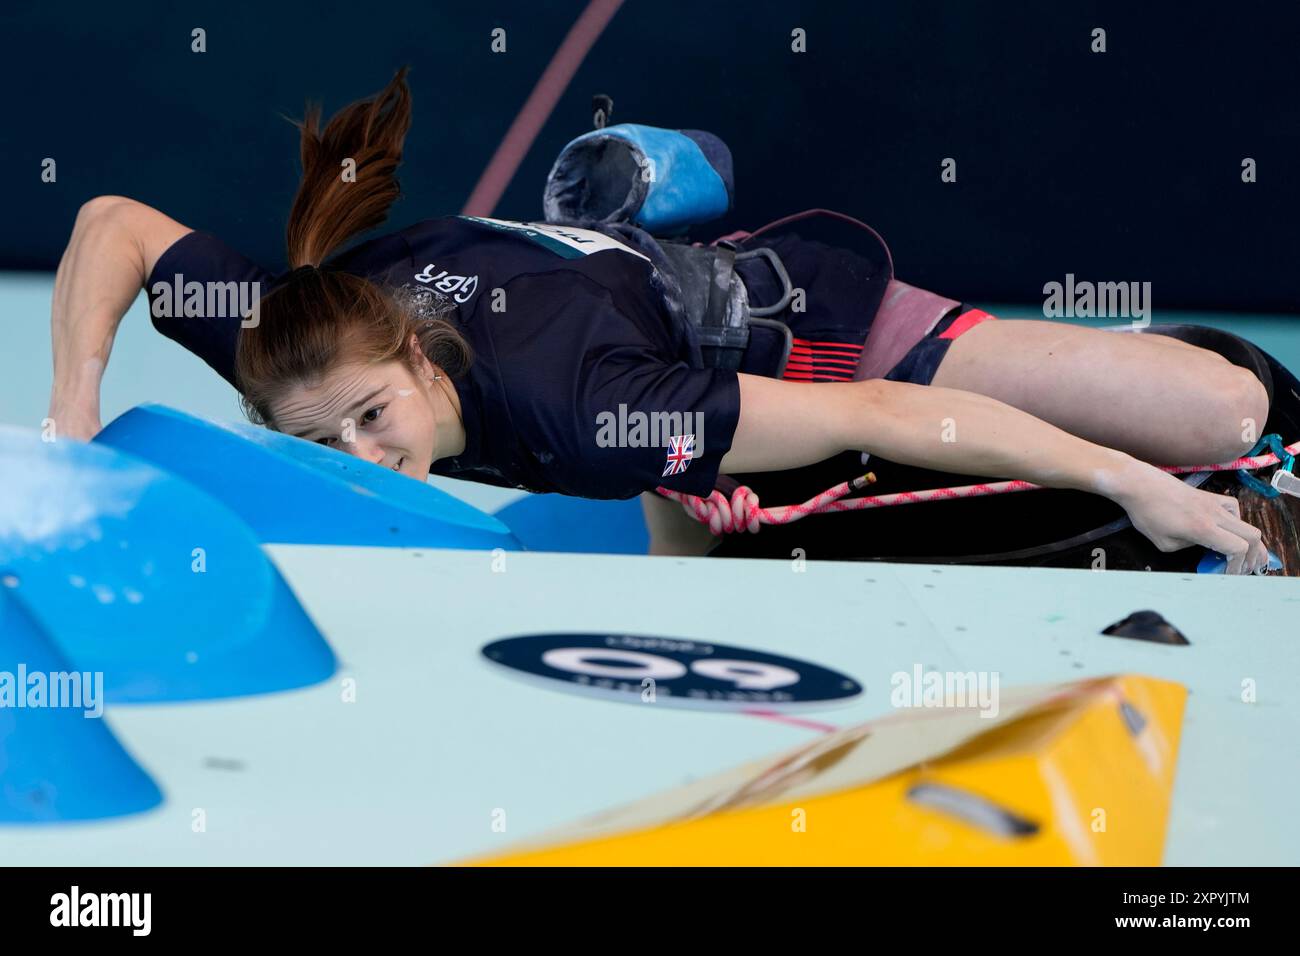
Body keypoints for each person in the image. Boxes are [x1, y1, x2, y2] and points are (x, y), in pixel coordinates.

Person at [46, 69, 1271, 573]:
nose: (362, 455)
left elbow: (882, 406)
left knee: (1220, 410)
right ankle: (605, 221)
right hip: (608, 326)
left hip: (810, 323)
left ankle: (631, 209)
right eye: (319, 443)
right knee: (697, 565)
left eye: (373, 417)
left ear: (416, 352)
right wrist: (72, 410)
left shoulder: (587, 416)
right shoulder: (291, 334)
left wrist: (1141, 484)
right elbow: (112, 220)